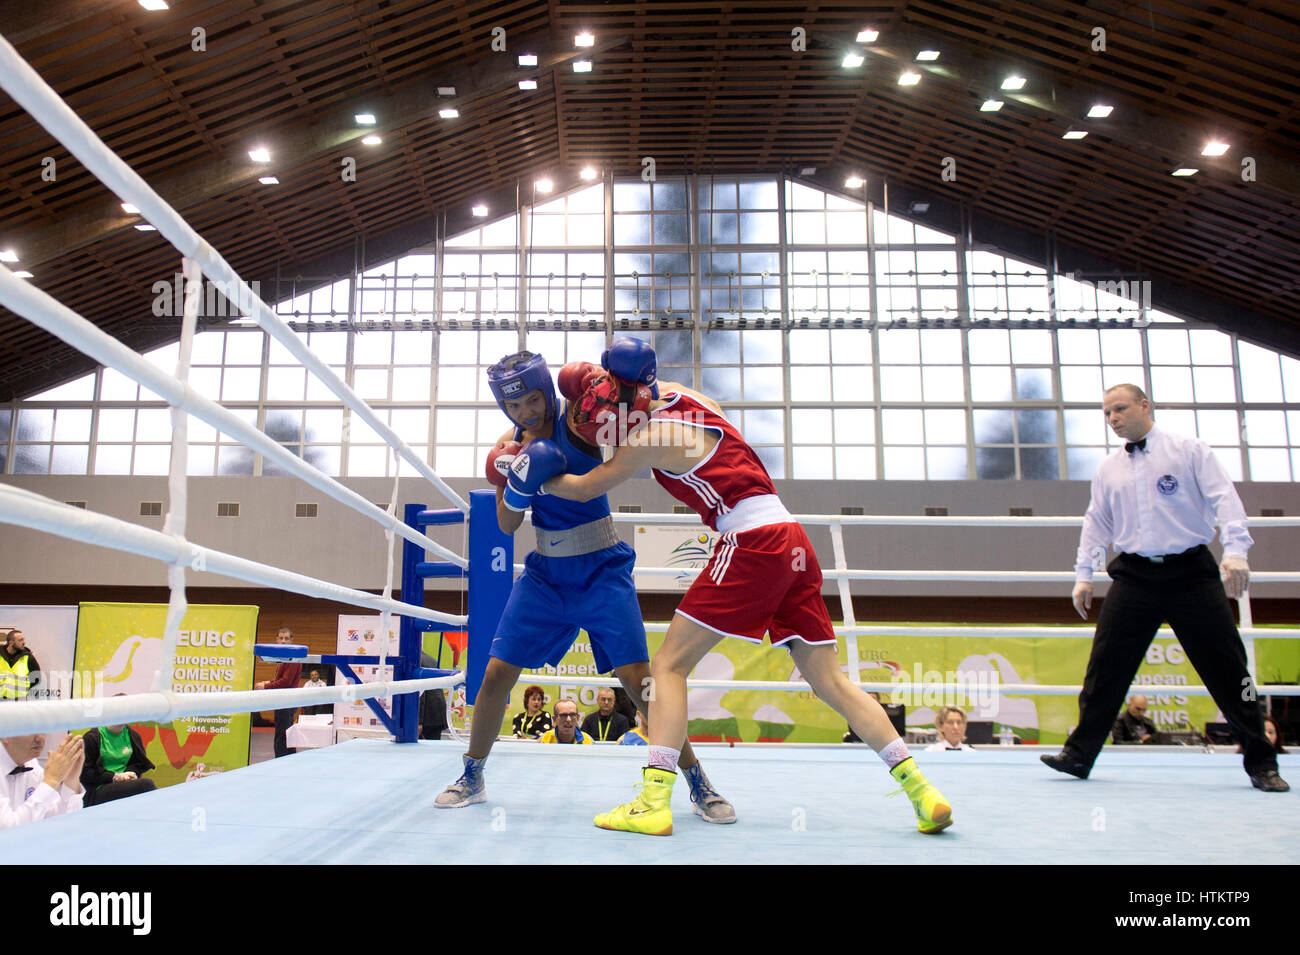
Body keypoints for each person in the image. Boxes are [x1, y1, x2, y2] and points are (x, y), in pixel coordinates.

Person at [542, 338, 953, 836]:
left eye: (610, 396)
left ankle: (653, 802)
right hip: (793, 541)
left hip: (751, 540)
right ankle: (921, 791)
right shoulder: (686, 396)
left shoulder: (654, 436)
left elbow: (586, 485)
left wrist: (526, 474)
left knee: (668, 667)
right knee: (833, 683)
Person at [434, 350, 734, 823]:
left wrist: (631, 387)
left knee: (642, 685)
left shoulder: (581, 419)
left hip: (600, 571)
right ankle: (472, 774)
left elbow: (626, 417)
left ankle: (698, 782)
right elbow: (507, 523)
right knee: (494, 676)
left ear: (547, 391)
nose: (526, 413)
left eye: (533, 401)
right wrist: (516, 484)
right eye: (514, 408)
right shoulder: (508, 444)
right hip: (545, 577)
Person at [1043, 383, 1288, 792]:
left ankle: (1262, 763)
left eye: (1120, 408)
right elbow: (1096, 522)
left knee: (1228, 668)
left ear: (1144, 405)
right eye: (1106, 413)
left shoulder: (1189, 450)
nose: (1113, 418)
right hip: (1134, 577)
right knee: (1105, 668)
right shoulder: (1107, 469)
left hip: (1191, 572)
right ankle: (1079, 754)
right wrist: (1083, 574)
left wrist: (1236, 551)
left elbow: (1225, 500)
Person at [79, 700, 157, 807]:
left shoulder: (133, 736)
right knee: (147, 785)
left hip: (124, 783)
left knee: (145, 789)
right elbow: (86, 773)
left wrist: (130, 773)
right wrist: (114, 777)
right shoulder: (92, 738)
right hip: (98, 788)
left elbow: (139, 764)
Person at [1, 732, 84, 828]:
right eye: (30, 730)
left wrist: (71, 781)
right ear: (4, 735)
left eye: (42, 730)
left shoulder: (31, 764)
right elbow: (8, 830)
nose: (40, 738)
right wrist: (51, 780)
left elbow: (58, 819)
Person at [255, 627, 302, 758]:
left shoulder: (292, 658)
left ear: (291, 640)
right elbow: (281, 680)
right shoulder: (284, 658)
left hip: (286, 700)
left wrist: (266, 686)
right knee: (286, 735)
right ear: (276, 640)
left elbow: (286, 682)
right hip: (284, 700)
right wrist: (267, 682)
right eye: (281, 638)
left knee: (282, 736)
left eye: (286, 639)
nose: (283, 641)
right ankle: (288, 762)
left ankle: (280, 763)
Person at [1, 628, 42, 700]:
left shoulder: (28, 657)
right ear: (11, 643)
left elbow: (36, 677)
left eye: (23, 639)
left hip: (19, 701)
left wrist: (25, 690)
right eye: (20, 640)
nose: (24, 642)